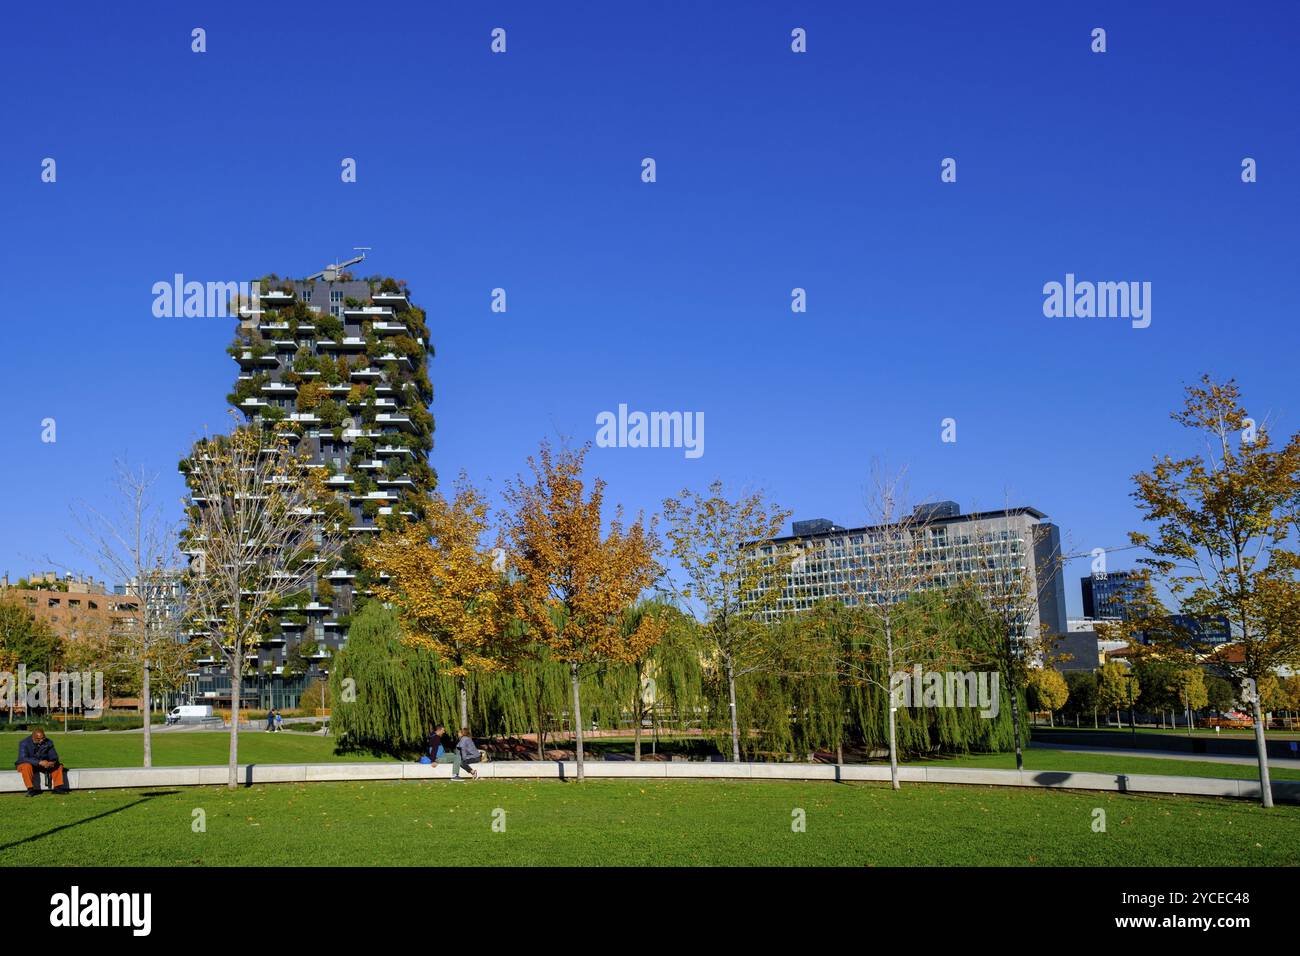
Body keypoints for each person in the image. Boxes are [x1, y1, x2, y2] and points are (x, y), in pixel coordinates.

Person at [15, 728, 71, 796]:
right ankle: (30, 789)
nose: (41, 741)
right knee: (26, 766)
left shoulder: (49, 742)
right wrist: (39, 762)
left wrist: (52, 762)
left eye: (43, 738)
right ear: (33, 737)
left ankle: (57, 788)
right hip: (27, 764)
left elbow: (54, 756)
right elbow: (23, 758)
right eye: (38, 739)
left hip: (43, 764)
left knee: (58, 766)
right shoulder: (24, 743)